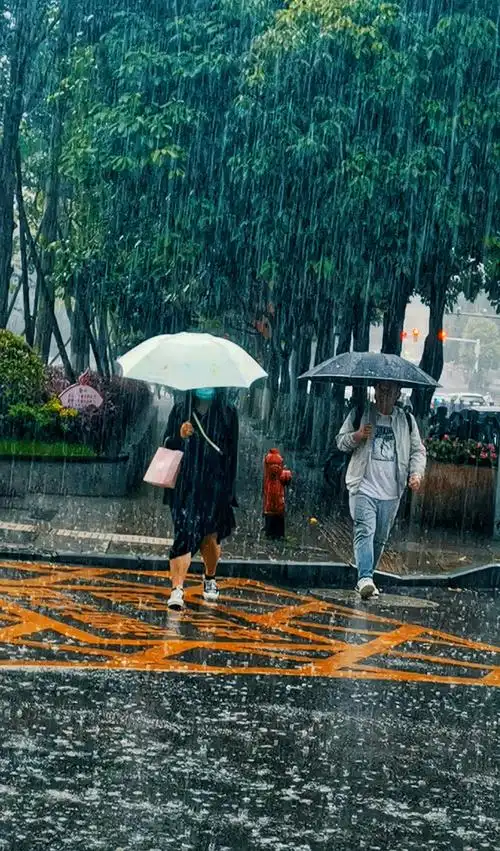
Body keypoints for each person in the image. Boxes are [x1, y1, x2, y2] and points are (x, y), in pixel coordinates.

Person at [336, 382, 426, 600]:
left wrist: (416, 474)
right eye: (380, 390)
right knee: (365, 530)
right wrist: (357, 436)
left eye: (389, 391)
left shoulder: (406, 421)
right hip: (363, 486)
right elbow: (341, 442)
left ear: (397, 394)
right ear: (375, 391)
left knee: (379, 538)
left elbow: (417, 451)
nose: (383, 395)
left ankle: (367, 577)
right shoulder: (360, 413)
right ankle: (365, 578)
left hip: (392, 491)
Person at [163, 388, 239, 610]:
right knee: (183, 535)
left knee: (209, 539)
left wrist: (229, 491)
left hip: (214, 486)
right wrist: (179, 435)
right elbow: (166, 443)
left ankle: (210, 576)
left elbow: (232, 454)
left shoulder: (227, 412)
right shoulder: (181, 409)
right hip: (185, 485)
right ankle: (177, 589)